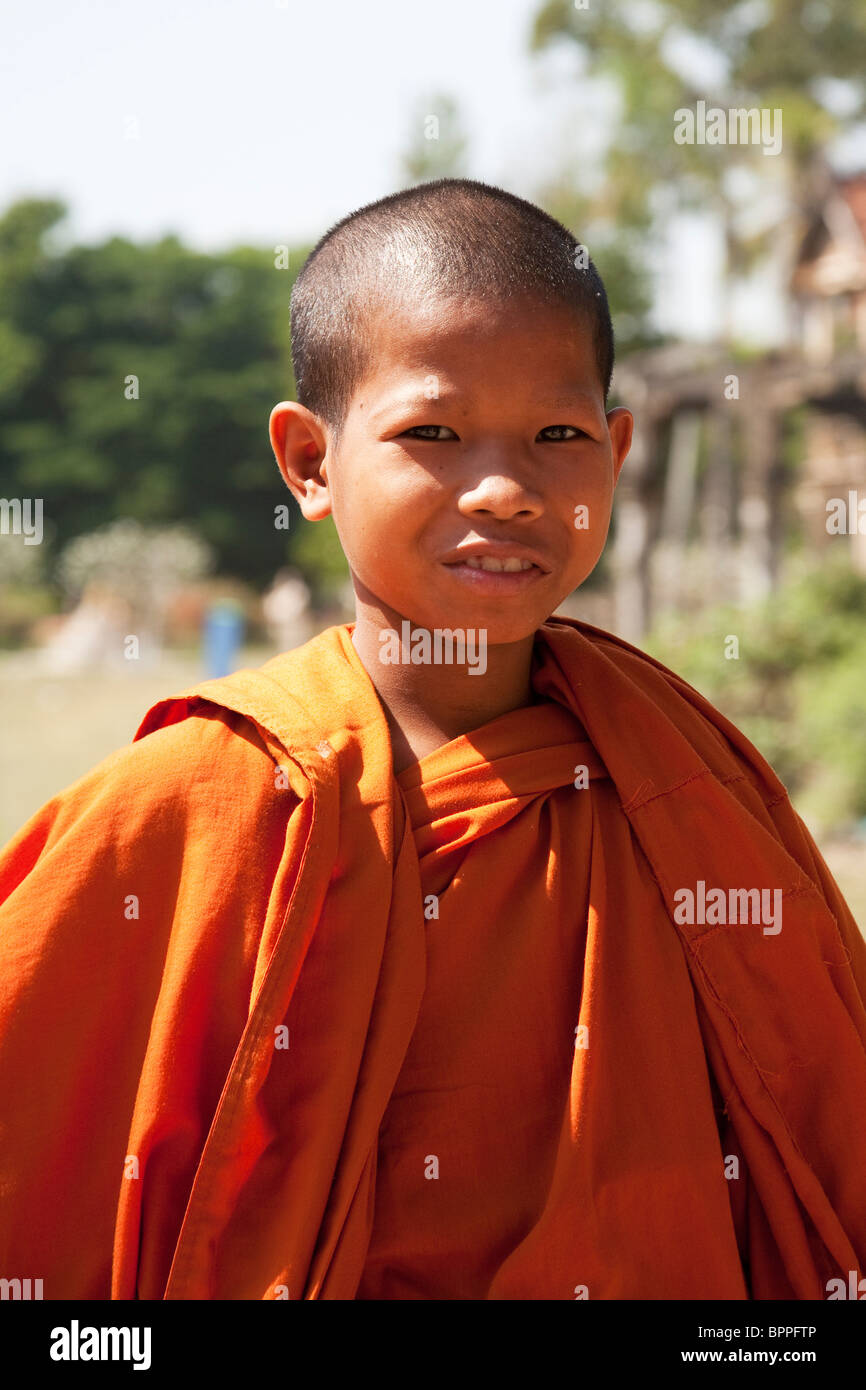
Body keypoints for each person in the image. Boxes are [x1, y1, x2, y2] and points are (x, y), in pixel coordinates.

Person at [1, 178, 865, 1302]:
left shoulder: (689, 787)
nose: (503, 488)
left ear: (614, 451)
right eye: (433, 432)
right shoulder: (190, 803)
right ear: (309, 462)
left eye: (556, 434)